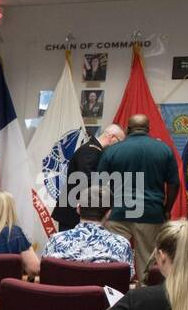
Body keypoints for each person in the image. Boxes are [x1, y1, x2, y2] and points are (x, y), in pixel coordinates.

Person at [97, 113, 179, 284]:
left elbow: (101, 184)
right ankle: (146, 305)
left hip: (118, 213)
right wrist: (166, 209)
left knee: (113, 263)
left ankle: (113, 302)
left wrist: (104, 211)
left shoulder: (112, 150)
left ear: (127, 129)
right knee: (147, 267)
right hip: (151, 213)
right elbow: (173, 184)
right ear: (148, 129)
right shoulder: (164, 150)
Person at [41, 188, 133, 266]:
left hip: (66, 287)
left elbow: (46, 273)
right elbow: (127, 277)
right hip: (103, 287)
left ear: (78, 209)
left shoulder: (55, 241)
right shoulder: (122, 245)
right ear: (108, 213)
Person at [60, 124, 124, 231]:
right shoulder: (91, 151)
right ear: (111, 137)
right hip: (73, 214)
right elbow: (87, 181)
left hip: (80, 211)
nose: (119, 147)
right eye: (119, 142)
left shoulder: (95, 150)